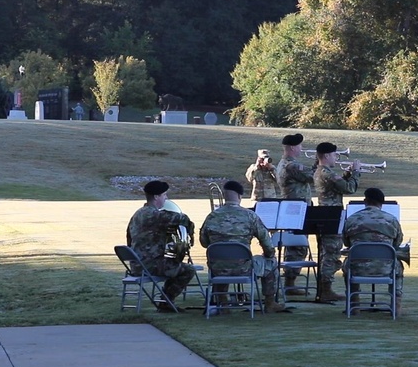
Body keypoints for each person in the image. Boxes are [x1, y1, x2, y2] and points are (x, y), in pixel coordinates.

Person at [199, 180, 287, 313]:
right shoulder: (250, 216)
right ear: (240, 196)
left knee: (223, 262)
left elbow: (204, 242)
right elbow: (267, 243)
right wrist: (269, 255)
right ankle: (270, 303)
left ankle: (222, 302)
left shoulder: (212, 217)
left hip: (217, 268)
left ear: (224, 196)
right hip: (244, 268)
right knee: (271, 263)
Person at [126, 180, 198, 312]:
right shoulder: (154, 215)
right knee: (188, 270)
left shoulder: (138, 214)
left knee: (175, 264)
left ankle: (165, 300)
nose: (166, 198)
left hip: (137, 264)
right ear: (156, 197)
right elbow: (182, 218)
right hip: (150, 265)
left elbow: (129, 239)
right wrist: (190, 231)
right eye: (164, 195)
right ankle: (166, 301)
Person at [343, 187, 405, 314]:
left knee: (346, 264)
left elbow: (346, 242)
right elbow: (397, 244)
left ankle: (354, 303)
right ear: (382, 203)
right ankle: (396, 304)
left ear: (365, 201)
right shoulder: (391, 220)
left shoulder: (352, 219)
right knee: (399, 266)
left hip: (357, 268)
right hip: (386, 268)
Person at [313, 142, 361, 302]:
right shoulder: (327, 173)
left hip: (328, 214)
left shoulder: (322, 172)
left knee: (329, 252)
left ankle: (325, 289)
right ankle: (326, 290)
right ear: (326, 156)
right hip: (331, 216)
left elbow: (339, 187)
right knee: (331, 254)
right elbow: (349, 189)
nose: (336, 158)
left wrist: (346, 174)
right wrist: (355, 173)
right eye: (334, 155)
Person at [275, 133, 314, 295]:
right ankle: (290, 282)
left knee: (295, 245)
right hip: (296, 210)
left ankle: (290, 281)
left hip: (293, 208)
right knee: (297, 246)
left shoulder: (283, 163)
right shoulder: (291, 165)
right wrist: (321, 162)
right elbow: (312, 176)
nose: (301, 149)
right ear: (292, 147)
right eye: (299, 146)